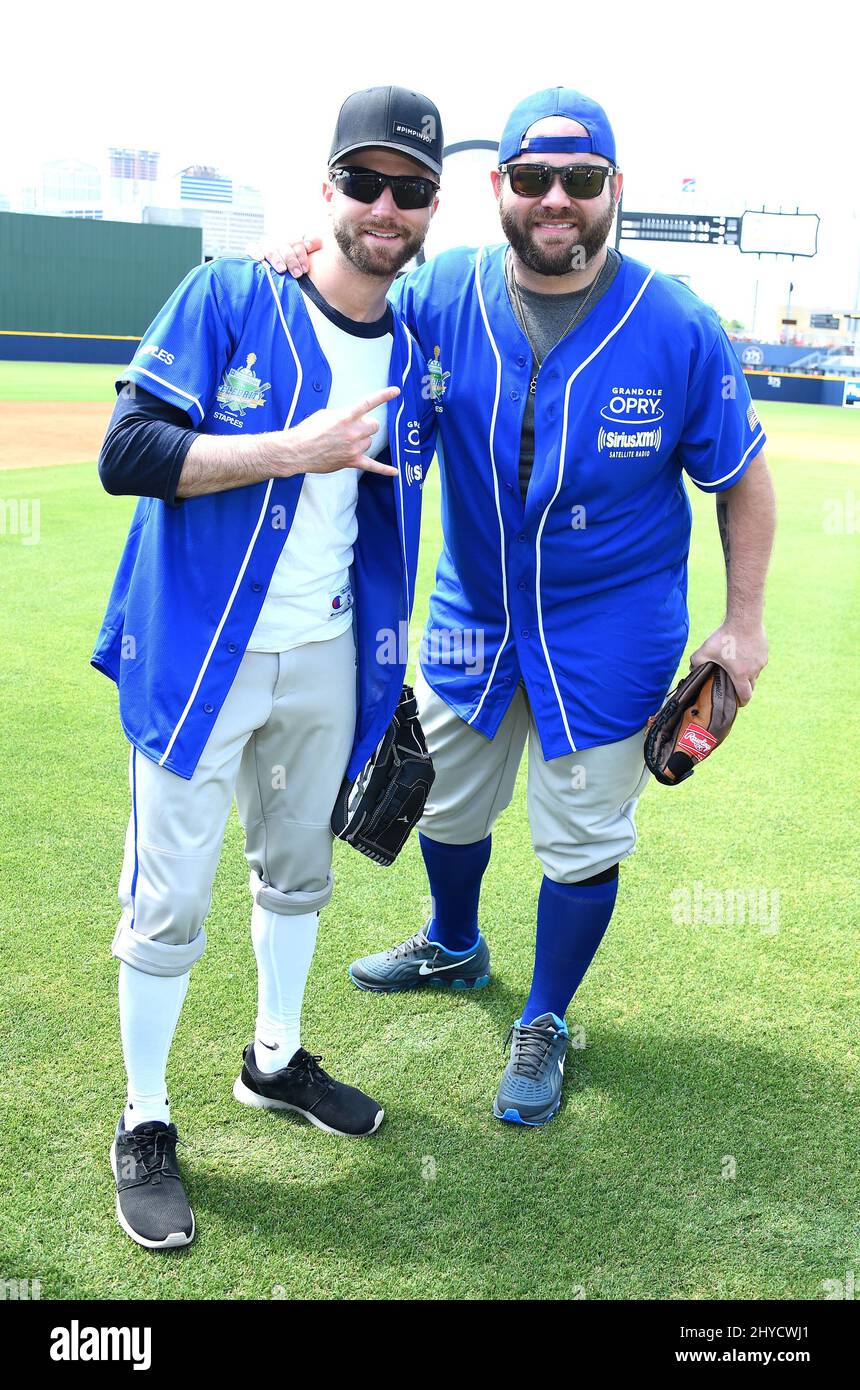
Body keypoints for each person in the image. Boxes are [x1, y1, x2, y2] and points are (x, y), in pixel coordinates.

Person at [256, 86, 776, 1129]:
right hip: (471, 610)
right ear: (497, 189)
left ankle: (542, 1016)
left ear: (609, 192)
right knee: (441, 803)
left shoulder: (674, 324)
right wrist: (307, 247)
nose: (555, 200)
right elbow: (349, 294)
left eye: (579, 181)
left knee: (581, 835)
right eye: (533, 178)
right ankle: (454, 942)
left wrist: (743, 621)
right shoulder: (443, 289)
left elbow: (741, 477)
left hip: (614, 623)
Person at [92, 85, 442, 1247]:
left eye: (410, 188)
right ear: (327, 188)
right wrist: (292, 450)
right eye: (364, 180)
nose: (384, 205)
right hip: (201, 651)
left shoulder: (420, 342)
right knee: (170, 899)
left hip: (328, 649)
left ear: (432, 209)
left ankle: (275, 1059)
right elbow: (127, 450)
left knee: (297, 874)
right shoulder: (234, 294)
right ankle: (145, 1119)